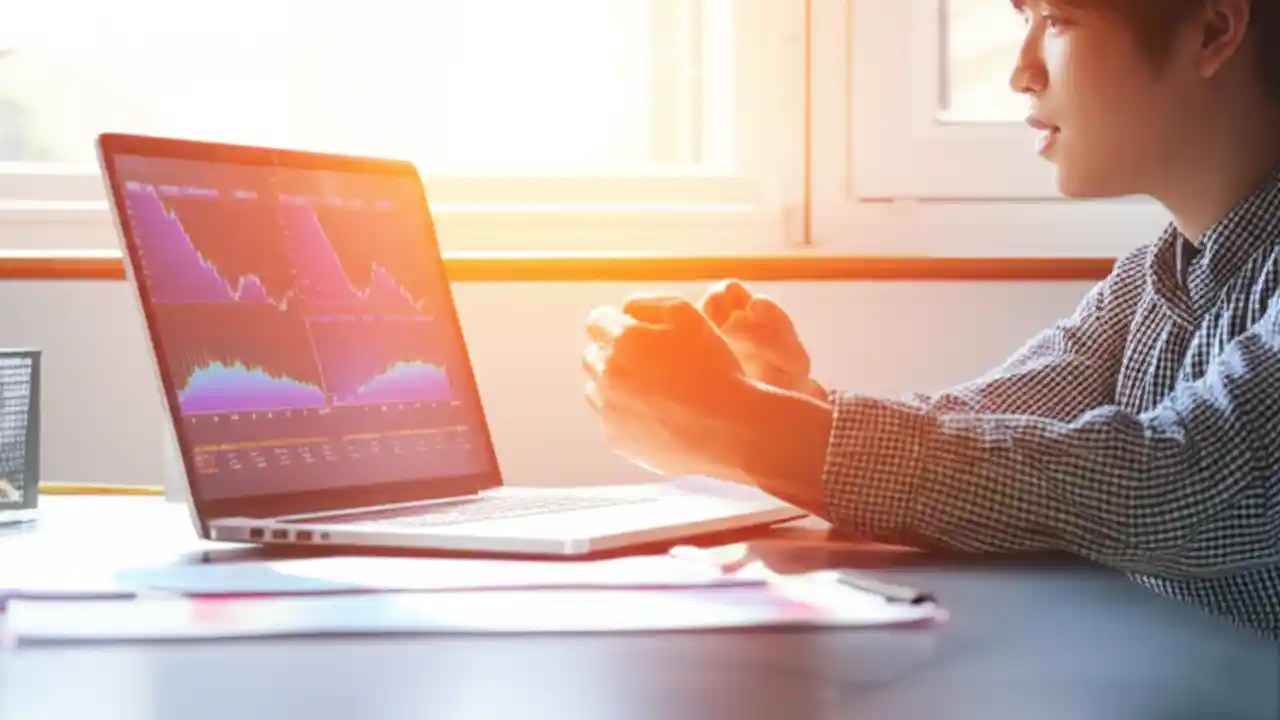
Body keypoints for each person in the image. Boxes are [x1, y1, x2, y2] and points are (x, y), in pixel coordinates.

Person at [582, 0, 1280, 639]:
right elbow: (991, 428)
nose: (1021, 71)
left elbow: (1191, 484)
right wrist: (788, 404)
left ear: (1213, 32)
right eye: (1023, 18)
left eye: (1058, 20)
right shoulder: (1156, 275)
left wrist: (748, 427)